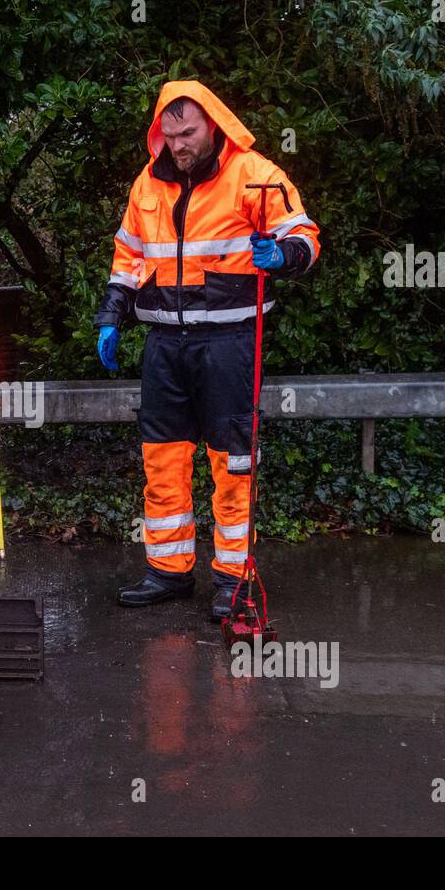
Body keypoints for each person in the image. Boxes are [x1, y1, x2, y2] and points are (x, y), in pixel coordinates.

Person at [93, 79, 321, 621]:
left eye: (188, 133)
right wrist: (111, 315)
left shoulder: (256, 176)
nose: (178, 145)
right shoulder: (147, 185)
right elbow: (128, 254)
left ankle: (233, 578)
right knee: (163, 458)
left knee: (233, 460)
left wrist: (283, 255)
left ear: (212, 125)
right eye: (169, 135)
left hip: (229, 341)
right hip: (164, 343)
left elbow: (306, 237)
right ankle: (168, 572)